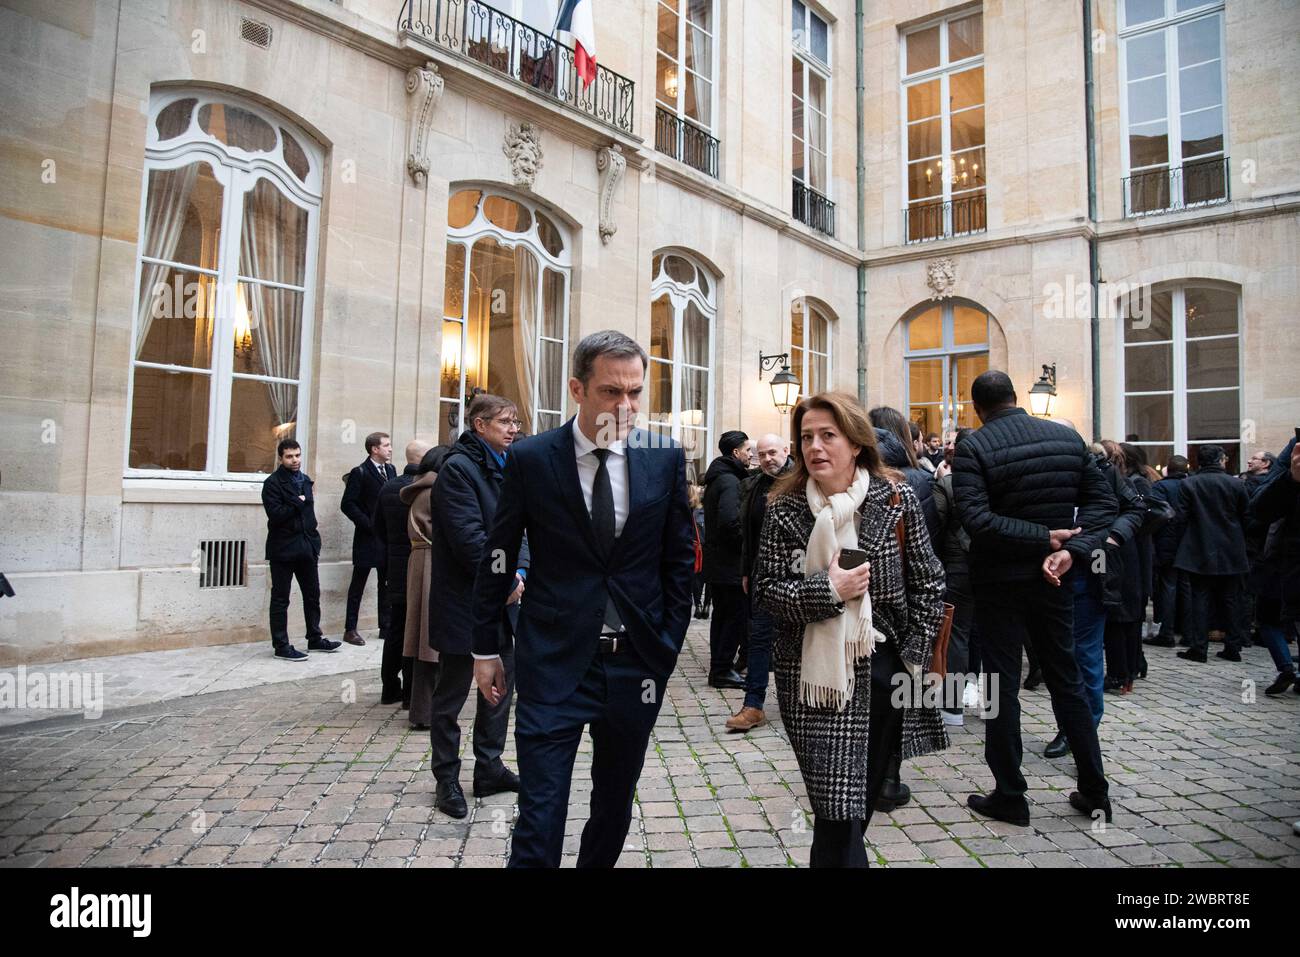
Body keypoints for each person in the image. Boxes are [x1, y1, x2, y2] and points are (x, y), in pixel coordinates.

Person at [470, 330, 694, 868]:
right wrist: (484, 649)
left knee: (613, 805)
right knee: (540, 811)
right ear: (577, 388)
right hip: (552, 660)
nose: (627, 406)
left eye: (636, 392)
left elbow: (679, 563)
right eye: (612, 392)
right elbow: (497, 556)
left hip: (635, 664)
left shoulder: (662, 457)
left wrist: (663, 648)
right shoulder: (530, 458)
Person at [753, 391, 947, 867]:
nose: (815, 447)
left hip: (884, 673)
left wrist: (914, 658)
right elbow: (766, 593)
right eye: (806, 437)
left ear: (856, 442)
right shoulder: (784, 507)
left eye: (828, 436)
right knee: (835, 809)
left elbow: (930, 581)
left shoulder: (895, 499)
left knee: (854, 808)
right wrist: (828, 590)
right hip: (812, 679)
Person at [952, 370, 1116, 826]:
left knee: (1000, 687)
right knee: (1067, 678)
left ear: (977, 407)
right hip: (1051, 578)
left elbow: (976, 518)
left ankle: (1010, 794)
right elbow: (1106, 507)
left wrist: (1054, 544)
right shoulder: (1066, 439)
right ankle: (1094, 790)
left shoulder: (976, 445)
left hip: (1002, 579)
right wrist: (1067, 549)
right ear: (1016, 398)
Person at [427, 395, 529, 818]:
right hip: (463, 601)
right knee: (451, 695)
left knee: (500, 690)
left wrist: (520, 572)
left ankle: (488, 768)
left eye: (515, 421)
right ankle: (446, 778)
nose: (512, 428)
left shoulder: (509, 466)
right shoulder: (457, 469)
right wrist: (502, 581)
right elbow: (467, 537)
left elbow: (522, 527)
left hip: (504, 600)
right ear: (479, 424)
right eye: (504, 421)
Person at [728, 433, 793, 732]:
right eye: (761, 454)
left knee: (797, 642)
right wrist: (746, 571)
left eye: (772, 453)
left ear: (786, 450)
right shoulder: (753, 485)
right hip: (760, 576)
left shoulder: (803, 481)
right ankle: (753, 705)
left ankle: (803, 702)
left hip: (797, 580)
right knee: (758, 640)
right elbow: (747, 535)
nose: (767, 459)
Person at [1174, 445, 1250, 663]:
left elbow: (1181, 518)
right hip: (1231, 548)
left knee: (1200, 600)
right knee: (1231, 600)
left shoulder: (1189, 484)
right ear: (1220, 460)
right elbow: (1246, 515)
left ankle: (1199, 647)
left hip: (1199, 548)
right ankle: (1233, 646)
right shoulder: (1236, 483)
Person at [262, 439, 335, 661]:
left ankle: (315, 637)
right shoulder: (273, 483)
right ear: (280, 458)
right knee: (281, 598)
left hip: (306, 547)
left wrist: (314, 541)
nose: (295, 460)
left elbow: (308, 513)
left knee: (312, 594)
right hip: (283, 548)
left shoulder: (304, 481)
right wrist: (297, 501)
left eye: (297, 455)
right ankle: (281, 645)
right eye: (289, 456)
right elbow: (275, 515)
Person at [371, 439, 431, 705]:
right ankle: (410, 691)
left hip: (395, 565)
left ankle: (389, 686)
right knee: (414, 629)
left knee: (396, 627)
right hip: (417, 564)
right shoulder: (423, 487)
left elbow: (378, 527)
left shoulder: (388, 487)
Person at [399, 446, 451, 729]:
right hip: (431, 561)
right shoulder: (434, 491)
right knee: (430, 642)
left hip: (422, 561)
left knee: (424, 643)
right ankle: (426, 711)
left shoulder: (421, 489)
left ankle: (422, 709)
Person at [1099, 441, 1155, 694]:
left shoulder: (1125, 484)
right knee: (1125, 617)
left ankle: (1122, 672)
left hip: (1122, 554)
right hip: (1128, 554)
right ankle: (1129, 669)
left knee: (1121, 618)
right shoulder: (1128, 481)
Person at [932, 427, 976, 727]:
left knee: (956, 634)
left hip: (957, 565)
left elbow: (936, 526)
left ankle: (952, 706)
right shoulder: (994, 482)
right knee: (985, 636)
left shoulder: (948, 483)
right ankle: (987, 701)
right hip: (989, 566)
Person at [1249, 437, 1300, 696]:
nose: (1250, 461)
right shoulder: (1289, 460)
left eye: (1255, 458)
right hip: (1281, 561)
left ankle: (1287, 668)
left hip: (1276, 560)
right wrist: (1292, 479)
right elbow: (1258, 509)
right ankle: (1287, 668)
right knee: (1269, 617)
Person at [702, 430, 753, 689]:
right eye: (747, 450)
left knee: (723, 617)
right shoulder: (730, 481)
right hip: (730, 564)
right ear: (736, 453)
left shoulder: (718, 478)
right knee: (732, 617)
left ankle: (720, 668)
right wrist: (748, 546)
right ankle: (722, 670)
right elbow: (730, 523)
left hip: (719, 563)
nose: (751, 454)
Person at [340, 432, 396, 646]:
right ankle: (350, 628)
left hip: (386, 537)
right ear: (374, 449)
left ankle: (385, 625)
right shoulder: (360, 472)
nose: (390, 449)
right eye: (386, 445)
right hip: (366, 537)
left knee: (386, 583)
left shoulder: (391, 470)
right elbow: (348, 504)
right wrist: (368, 523)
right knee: (358, 583)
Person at [1147, 455, 1190, 647]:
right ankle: (1189, 632)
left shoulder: (1161, 487)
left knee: (1168, 586)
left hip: (1166, 542)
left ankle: (1167, 632)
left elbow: (1157, 515)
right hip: (1188, 542)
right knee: (1186, 587)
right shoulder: (1192, 485)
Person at [689, 485, 710, 619]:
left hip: (698, 548)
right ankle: (707, 604)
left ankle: (698, 604)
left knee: (697, 577)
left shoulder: (693, 512)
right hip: (711, 548)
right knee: (710, 579)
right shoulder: (712, 510)